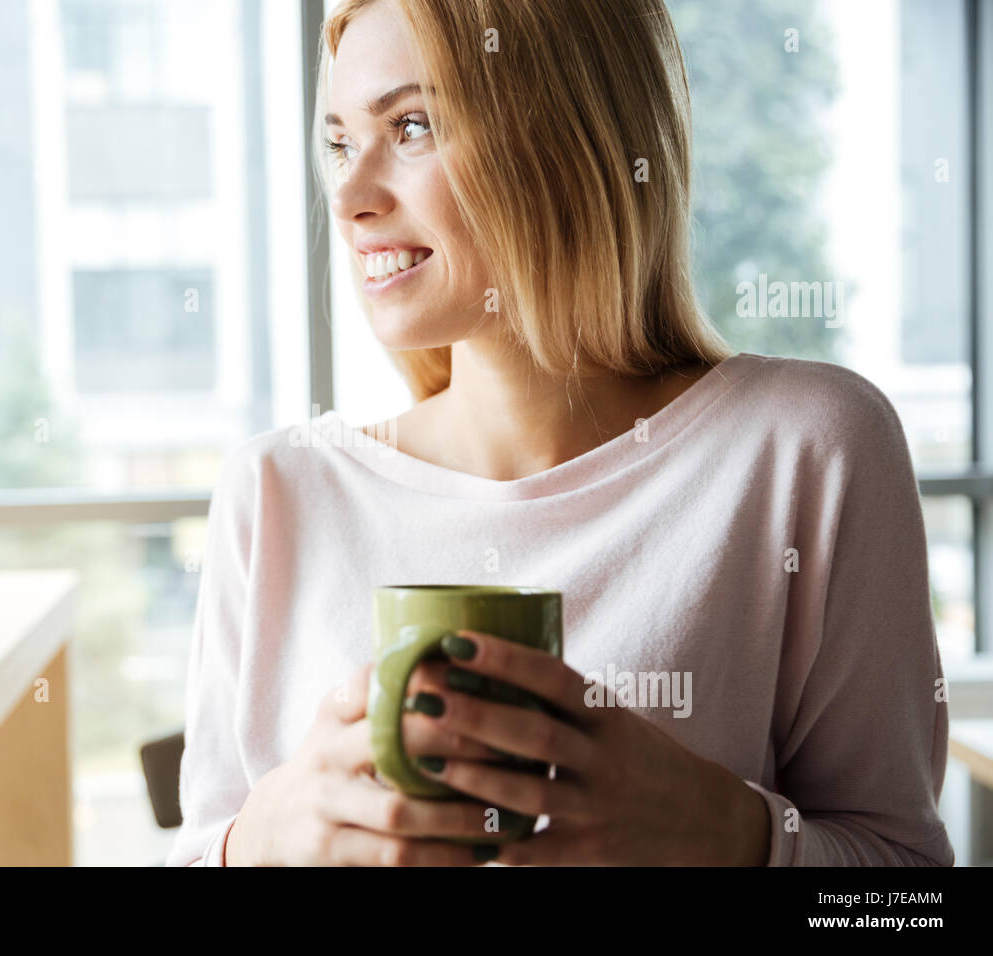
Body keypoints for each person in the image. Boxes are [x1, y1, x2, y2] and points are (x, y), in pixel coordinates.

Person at [164, 0, 954, 866]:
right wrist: (257, 845)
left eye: (414, 126)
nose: (349, 197)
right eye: (342, 142)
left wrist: (733, 834)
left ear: (569, 134)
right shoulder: (277, 491)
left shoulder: (809, 450)